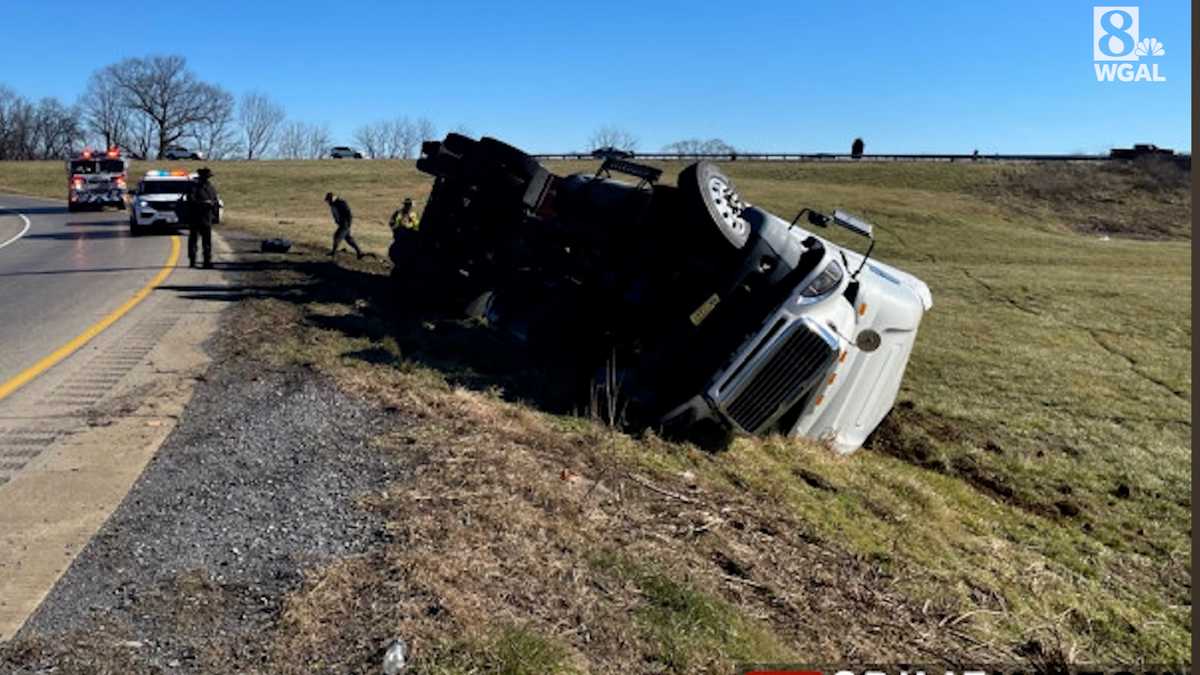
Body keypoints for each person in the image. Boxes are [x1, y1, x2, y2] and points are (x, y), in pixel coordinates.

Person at [186, 167, 219, 269]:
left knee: (207, 241)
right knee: (193, 241)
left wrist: (215, 215)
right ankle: (192, 261)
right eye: (206, 176)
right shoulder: (194, 187)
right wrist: (203, 203)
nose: (207, 178)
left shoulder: (210, 187)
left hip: (207, 218)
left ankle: (207, 261)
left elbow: (215, 201)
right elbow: (190, 200)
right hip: (195, 218)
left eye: (208, 176)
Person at [325, 192, 364, 259]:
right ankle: (359, 252)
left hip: (344, 224)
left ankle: (333, 253)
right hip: (342, 224)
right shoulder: (334, 204)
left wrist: (348, 224)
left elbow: (348, 214)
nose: (328, 202)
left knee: (337, 236)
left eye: (328, 200)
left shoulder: (340, 203)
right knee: (348, 239)